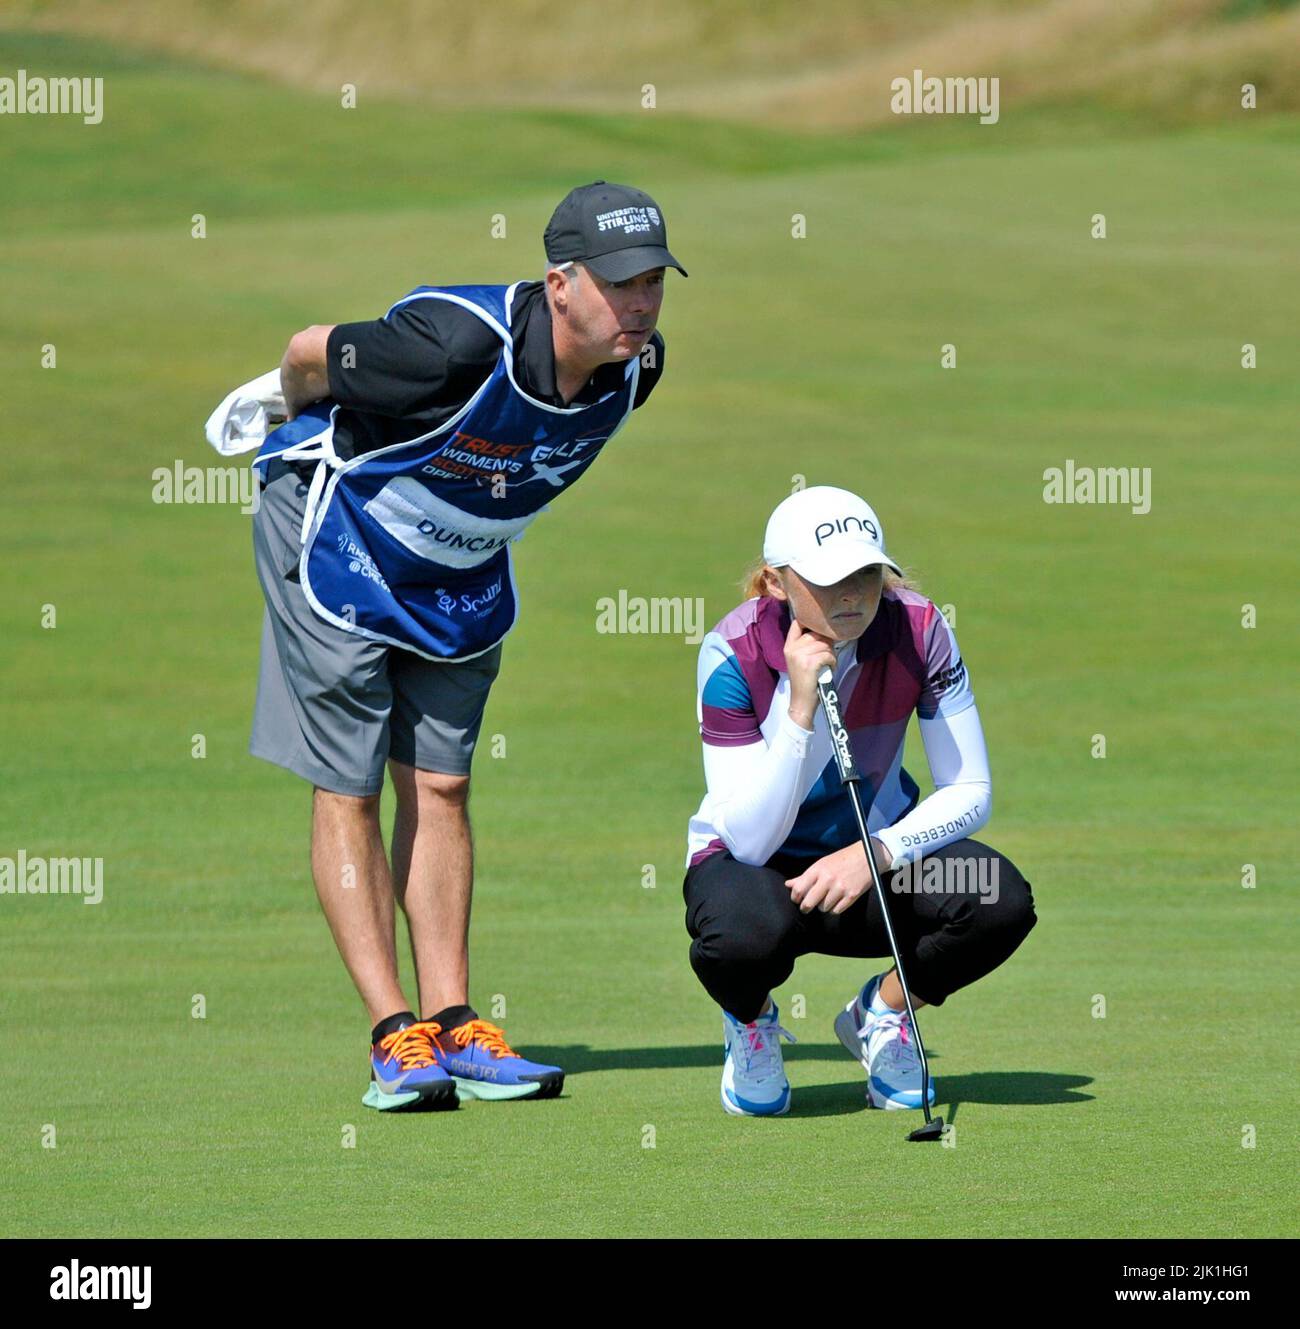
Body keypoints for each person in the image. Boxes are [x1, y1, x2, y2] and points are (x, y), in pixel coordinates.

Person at [246, 181, 686, 1111]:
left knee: (443, 780)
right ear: (558, 282)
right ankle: (393, 1034)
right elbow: (305, 354)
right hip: (340, 539)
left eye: (652, 281)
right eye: (618, 284)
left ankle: (455, 1022)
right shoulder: (449, 350)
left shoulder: (635, 371)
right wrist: (283, 417)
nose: (639, 303)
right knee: (351, 780)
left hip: (460, 569)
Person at [683, 485, 1037, 1116]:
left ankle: (885, 1014)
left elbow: (970, 789)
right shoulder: (729, 652)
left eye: (867, 574)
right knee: (741, 939)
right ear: (774, 583)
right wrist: (798, 709)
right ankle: (752, 1021)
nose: (852, 595)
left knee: (997, 898)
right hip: (755, 873)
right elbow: (749, 840)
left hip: (876, 867)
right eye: (829, 580)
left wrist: (876, 853)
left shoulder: (921, 629)